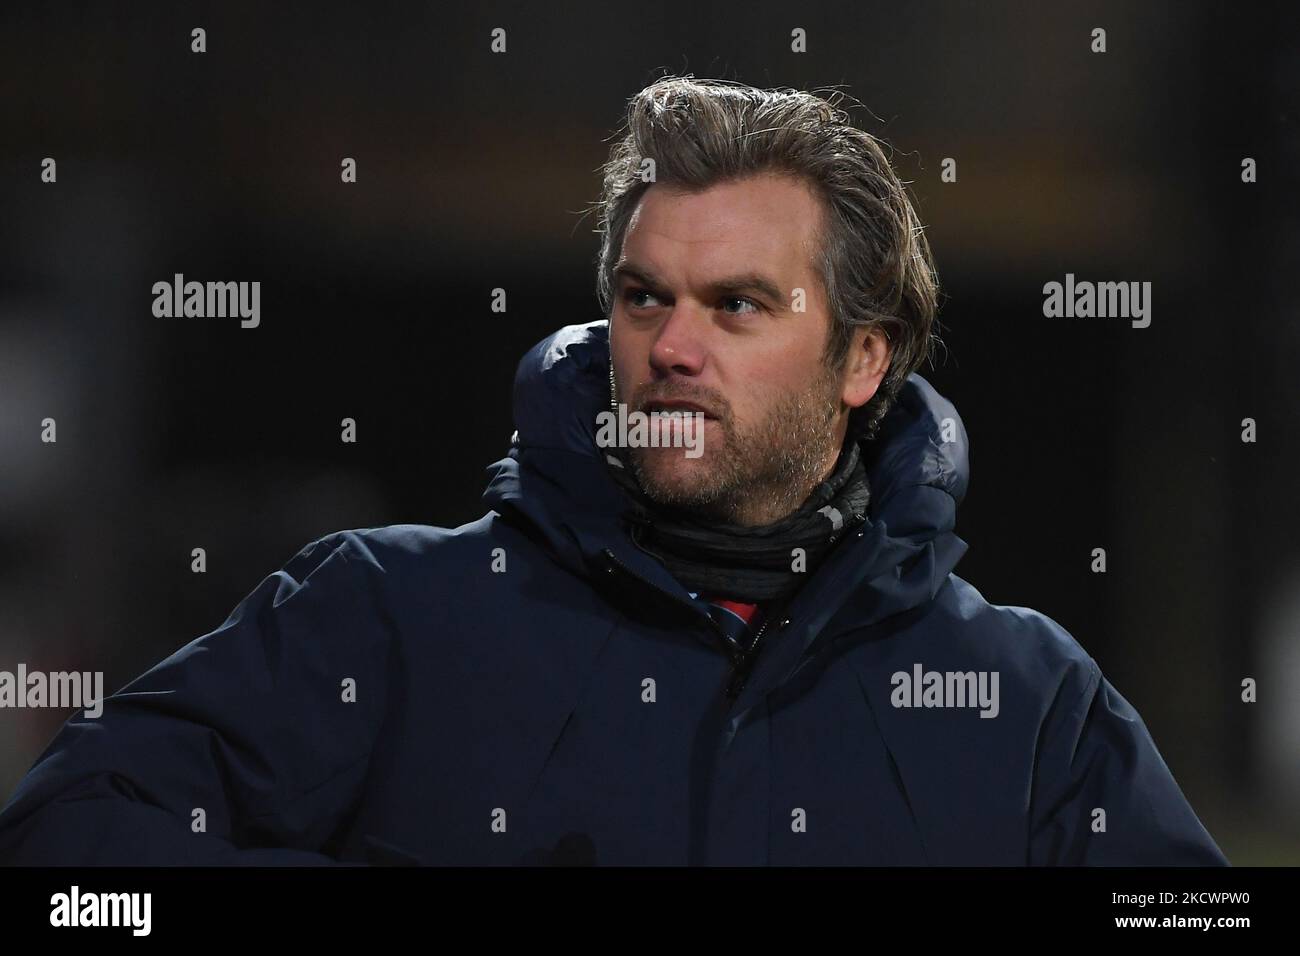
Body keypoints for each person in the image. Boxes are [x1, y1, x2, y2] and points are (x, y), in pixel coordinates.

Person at [0, 76, 1226, 866]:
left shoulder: (1026, 701)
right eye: (644, 297)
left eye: (737, 305)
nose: (672, 347)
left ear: (863, 358)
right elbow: (67, 857)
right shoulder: (385, 615)